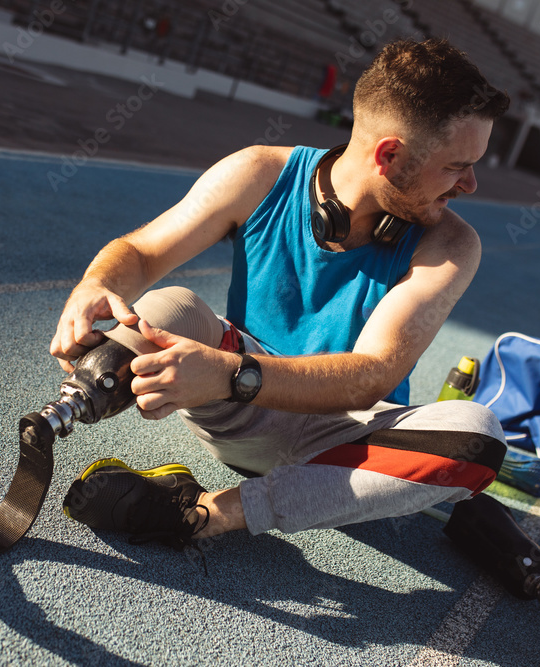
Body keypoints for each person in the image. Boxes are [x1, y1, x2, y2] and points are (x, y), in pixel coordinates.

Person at [51, 38, 511, 554]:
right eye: (457, 165)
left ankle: (205, 512)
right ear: (390, 154)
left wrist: (231, 373)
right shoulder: (260, 173)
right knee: (166, 307)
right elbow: (140, 252)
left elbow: (372, 374)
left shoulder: (450, 244)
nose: (470, 184)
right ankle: (70, 409)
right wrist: (97, 284)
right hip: (232, 404)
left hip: (348, 447)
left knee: (479, 436)